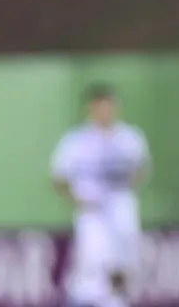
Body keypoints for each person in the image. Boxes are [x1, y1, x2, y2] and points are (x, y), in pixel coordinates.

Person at [51, 84, 151, 307]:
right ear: (92, 108)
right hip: (92, 212)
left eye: (110, 106)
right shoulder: (76, 141)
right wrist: (77, 199)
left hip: (121, 209)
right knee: (91, 265)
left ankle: (117, 300)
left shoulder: (129, 138)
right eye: (100, 106)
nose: (105, 111)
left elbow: (141, 169)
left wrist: (120, 191)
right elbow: (58, 177)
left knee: (124, 262)